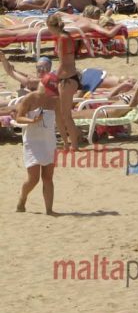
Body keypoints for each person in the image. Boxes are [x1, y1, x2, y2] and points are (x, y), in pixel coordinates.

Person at [14, 72, 60, 215]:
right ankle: (22, 198)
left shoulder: (54, 100)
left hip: (49, 142)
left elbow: (60, 120)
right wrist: (32, 121)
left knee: (48, 178)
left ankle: (49, 210)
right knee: (33, 179)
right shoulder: (30, 98)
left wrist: (67, 139)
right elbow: (19, 117)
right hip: (32, 142)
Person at [46, 13, 80, 151]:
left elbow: (62, 63)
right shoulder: (66, 36)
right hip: (69, 77)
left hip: (67, 79)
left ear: (51, 26)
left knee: (66, 115)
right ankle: (66, 144)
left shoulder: (62, 39)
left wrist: (53, 78)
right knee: (59, 114)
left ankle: (74, 145)